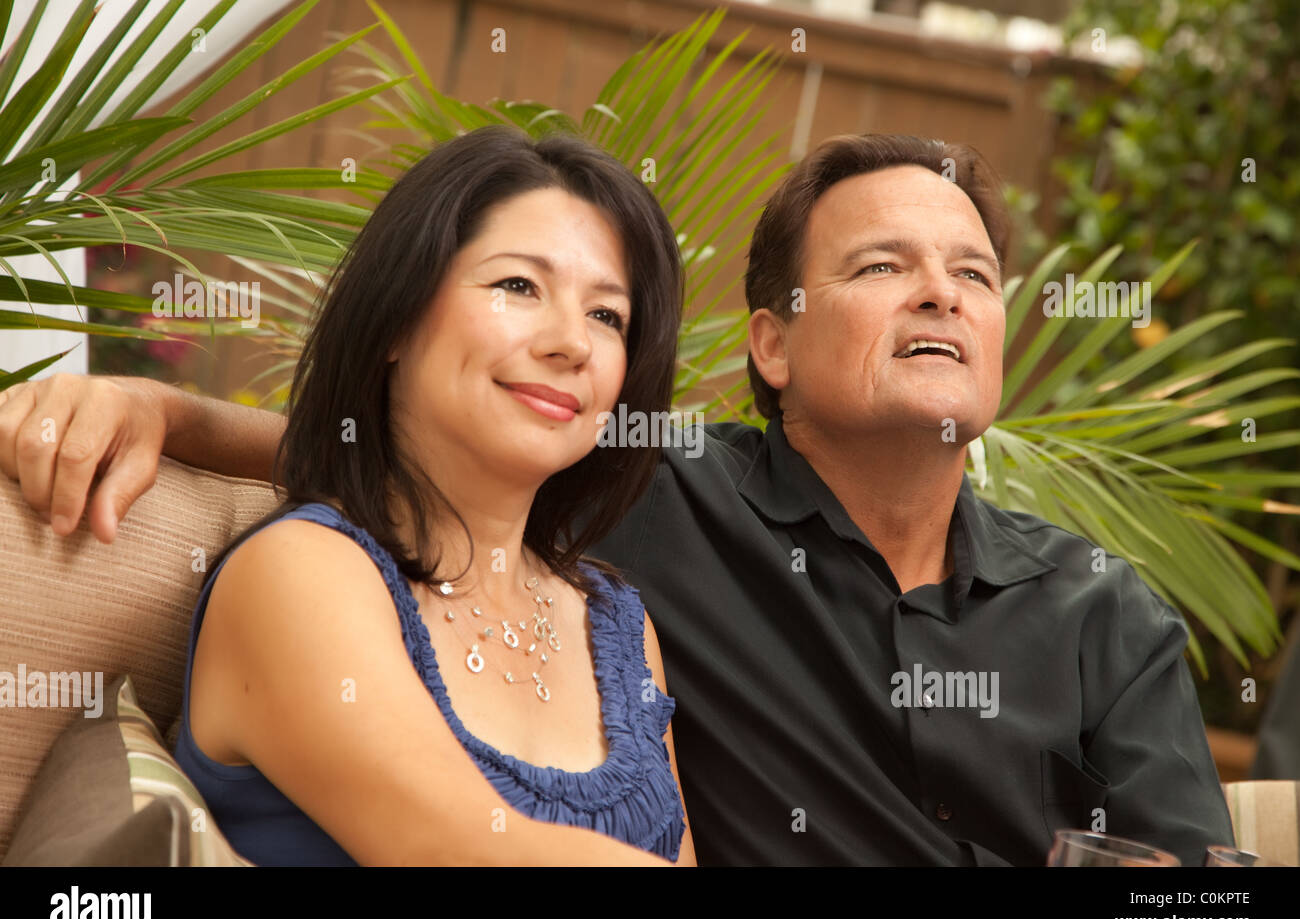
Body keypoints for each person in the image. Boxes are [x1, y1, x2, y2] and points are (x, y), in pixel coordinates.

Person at [0, 132, 1233, 866]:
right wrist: (162, 411)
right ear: (772, 343)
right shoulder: (657, 496)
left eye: (972, 273)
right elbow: (412, 452)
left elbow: (1200, 891)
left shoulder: (1101, 609)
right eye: (881, 267)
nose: (942, 293)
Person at [0, 124, 698, 865]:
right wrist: (165, 408)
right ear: (395, 318)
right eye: (517, 286)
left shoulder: (619, 628)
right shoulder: (301, 574)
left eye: (607, 315)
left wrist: (179, 414)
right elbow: (455, 848)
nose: (573, 342)